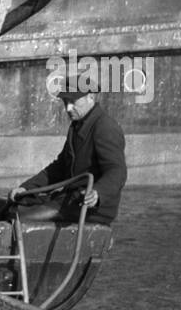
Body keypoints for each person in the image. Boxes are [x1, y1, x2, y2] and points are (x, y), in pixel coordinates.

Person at [9, 77, 127, 224]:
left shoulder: (105, 127)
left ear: (91, 96)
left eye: (73, 102)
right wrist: (26, 188)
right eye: (65, 102)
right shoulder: (78, 125)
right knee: (19, 205)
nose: (68, 108)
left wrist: (98, 193)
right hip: (70, 200)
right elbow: (59, 168)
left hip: (90, 209)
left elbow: (117, 171)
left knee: (22, 217)